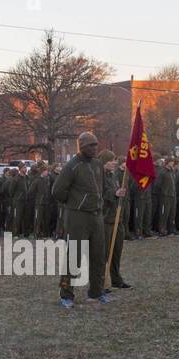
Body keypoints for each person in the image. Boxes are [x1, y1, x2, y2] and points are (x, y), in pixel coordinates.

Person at [53, 131, 108, 308]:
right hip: (77, 217)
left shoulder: (98, 165)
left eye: (96, 145)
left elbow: (103, 188)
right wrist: (76, 202)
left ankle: (96, 292)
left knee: (99, 256)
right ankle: (66, 294)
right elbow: (57, 191)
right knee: (74, 256)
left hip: (96, 216)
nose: (95, 148)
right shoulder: (72, 166)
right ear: (82, 146)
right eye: (91, 145)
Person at [100, 151, 131, 293]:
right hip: (105, 220)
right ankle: (102, 281)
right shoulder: (98, 176)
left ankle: (116, 279)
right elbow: (100, 193)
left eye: (114, 160)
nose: (114, 162)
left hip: (117, 219)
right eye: (110, 160)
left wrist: (119, 193)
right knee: (104, 253)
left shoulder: (113, 176)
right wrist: (114, 194)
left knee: (117, 252)